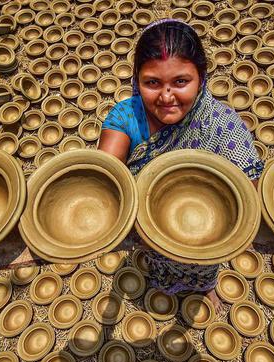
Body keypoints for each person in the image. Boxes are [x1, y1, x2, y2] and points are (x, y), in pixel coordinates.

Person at [98, 19, 264, 311]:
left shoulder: (222, 127)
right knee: (159, 261)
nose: (166, 97)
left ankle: (202, 286)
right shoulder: (126, 117)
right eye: (152, 83)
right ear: (136, 79)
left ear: (201, 77)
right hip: (148, 226)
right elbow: (104, 177)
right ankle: (164, 281)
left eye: (180, 82)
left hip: (205, 230)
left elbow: (249, 197)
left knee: (202, 267)